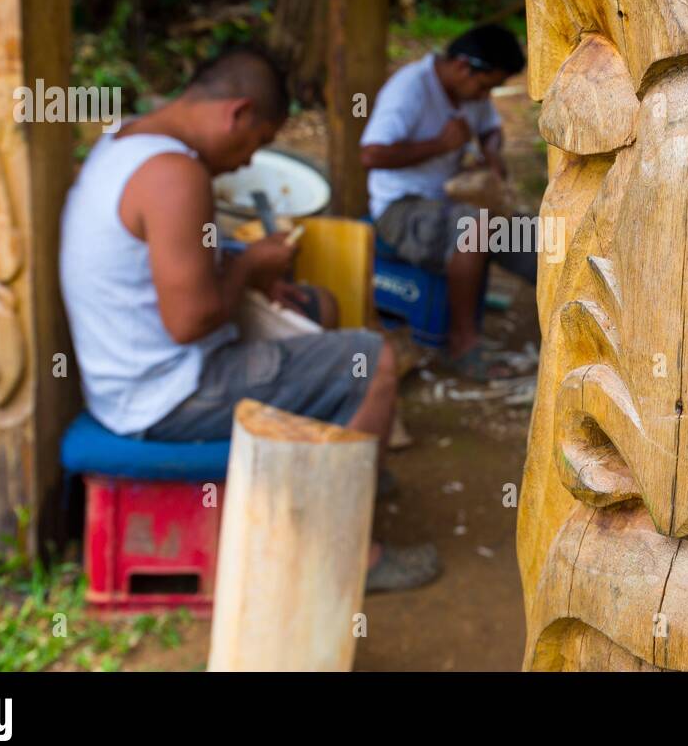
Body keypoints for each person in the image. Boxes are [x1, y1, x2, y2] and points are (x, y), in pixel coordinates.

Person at [60, 46, 439, 592]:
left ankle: (339, 475)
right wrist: (249, 268)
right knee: (372, 361)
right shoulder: (175, 175)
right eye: (256, 144)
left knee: (320, 308)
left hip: (128, 379)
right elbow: (189, 323)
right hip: (167, 396)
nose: (244, 163)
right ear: (236, 114)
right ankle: (347, 556)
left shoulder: (125, 142)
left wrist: (243, 268)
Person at [360, 24, 534, 381]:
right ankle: (461, 346)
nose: (486, 95)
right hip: (400, 206)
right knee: (476, 228)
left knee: (538, 238)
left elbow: (490, 129)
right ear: (461, 67)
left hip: (452, 200)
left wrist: (492, 154)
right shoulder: (409, 89)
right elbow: (371, 154)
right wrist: (439, 146)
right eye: (485, 86)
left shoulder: (472, 93)